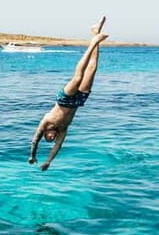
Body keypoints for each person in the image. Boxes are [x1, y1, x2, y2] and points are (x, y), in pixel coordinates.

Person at [29, 16, 108, 171]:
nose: (51, 138)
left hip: (64, 100)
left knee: (77, 77)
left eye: (48, 137)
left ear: (45, 133)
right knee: (92, 69)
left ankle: (93, 43)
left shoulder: (45, 122)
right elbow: (57, 147)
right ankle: (95, 33)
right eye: (51, 139)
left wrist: (33, 155)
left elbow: (34, 140)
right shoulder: (63, 130)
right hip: (78, 101)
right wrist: (48, 162)